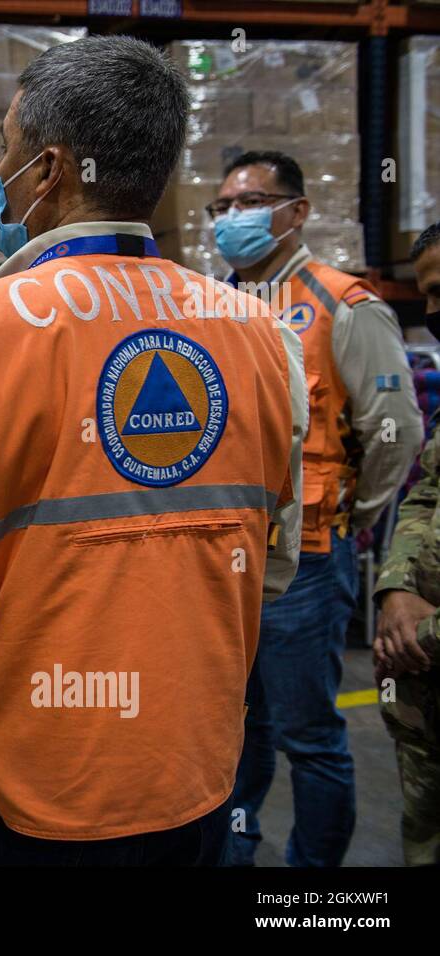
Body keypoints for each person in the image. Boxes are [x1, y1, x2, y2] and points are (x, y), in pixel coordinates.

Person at [0, 35, 308, 866]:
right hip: (191, 779)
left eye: (5, 149)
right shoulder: (263, 337)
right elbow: (275, 565)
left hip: (16, 790)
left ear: (46, 172)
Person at [212, 151, 423, 867]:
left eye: (250, 202)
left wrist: (357, 513)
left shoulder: (344, 306)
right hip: (220, 561)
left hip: (306, 559)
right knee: (236, 731)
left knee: (309, 737)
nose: (232, 219)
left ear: (296, 211)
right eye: (223, 208)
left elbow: (397, 428)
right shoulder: (209, 305)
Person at [373, 220, 440, 866]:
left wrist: (424, 633)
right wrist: (394, 590)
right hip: (423, 690)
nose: (435, 312)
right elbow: (425, 492)